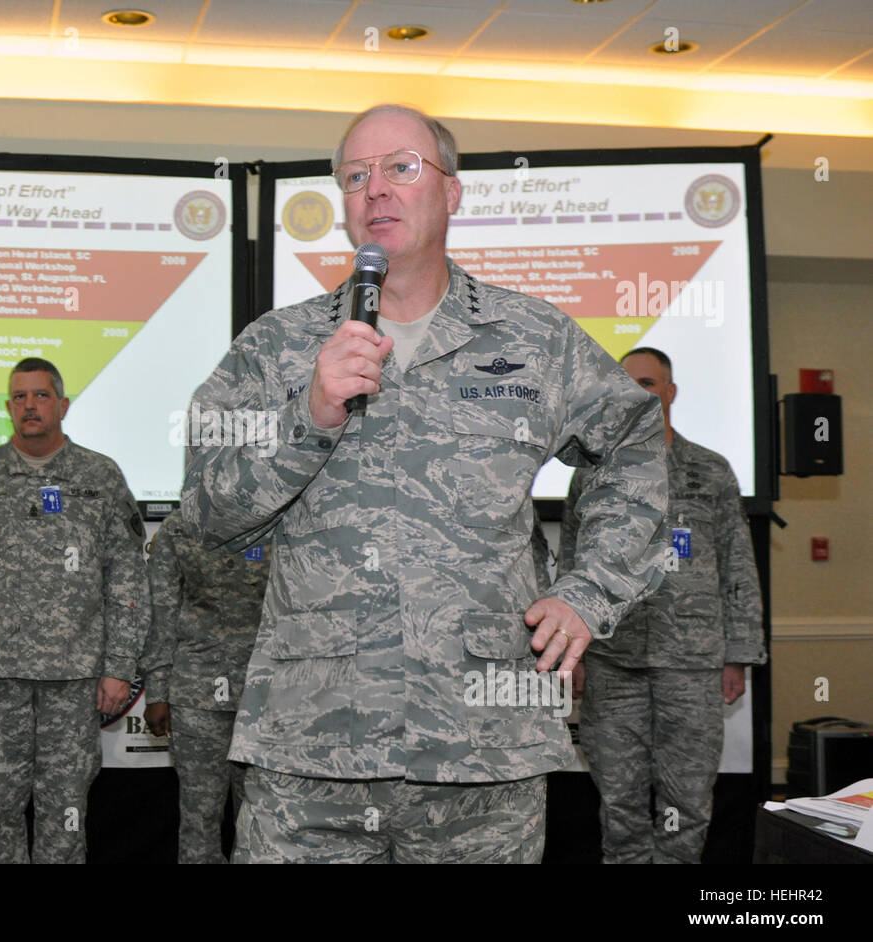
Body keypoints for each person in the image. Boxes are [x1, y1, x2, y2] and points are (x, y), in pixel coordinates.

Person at [178, 103, 669, 863]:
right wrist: (308, 416)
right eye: (355, 176)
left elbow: (634, 443)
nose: (375, 189)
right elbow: (205, 510)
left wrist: (590, 590)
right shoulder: (275, 346)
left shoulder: (534, 340)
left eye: (401, 168)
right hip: (312, 752)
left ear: (452, 191)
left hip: (485, 749)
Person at [0, 358, 150, 864]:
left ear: (63, 405)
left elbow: (127, 580)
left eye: (41, 395)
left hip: (73, 680)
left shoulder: (100, 477)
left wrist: (120, 668)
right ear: (8, 407)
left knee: (66, 812)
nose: (30, 405)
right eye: (20, 396)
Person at [559, 347, 766, 864]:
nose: (637, 393)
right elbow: (571, 565)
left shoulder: (710, 470)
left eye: (648, 384)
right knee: (620, 803)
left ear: (670, 392)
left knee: (687, 802)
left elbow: (737, 565)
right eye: (627, 383)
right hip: (612, 661)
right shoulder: (591, 474)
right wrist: (573, 654)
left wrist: (738, 655)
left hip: (691, 663)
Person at [139, 509, 271, 864]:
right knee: (199, 819)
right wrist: (157, 691)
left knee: (262, 820)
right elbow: (161, 611)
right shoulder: (179, 527)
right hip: (196, 691)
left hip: (264, 694)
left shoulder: (275, 518)